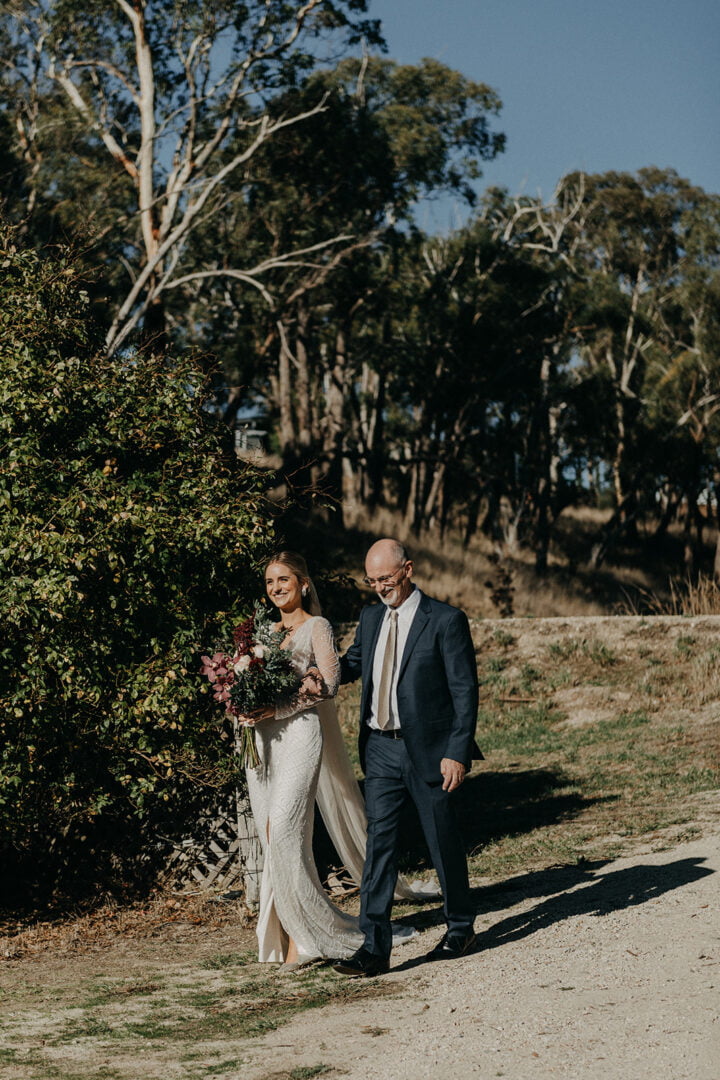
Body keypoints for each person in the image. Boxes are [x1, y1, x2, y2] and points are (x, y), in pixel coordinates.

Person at [239, 551, 427, 971]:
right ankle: (287, 935)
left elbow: (330, 683)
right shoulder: (263, 634)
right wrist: (239, 703)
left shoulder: (317, 627)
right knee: (273, 838)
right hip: (263, 744)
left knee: (285, 829)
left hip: (300, 737)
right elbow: (246, 684)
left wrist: (276, 708)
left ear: (303, 583)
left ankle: (308, 938)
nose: (276, 588)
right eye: (270, 582)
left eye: (284, 579)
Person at [333, 538, 481, 977]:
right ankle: (374, 948)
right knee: (379, 844)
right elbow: (354, 662)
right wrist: (315, 672)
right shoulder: (371, 616)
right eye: (372, 580)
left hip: (430, 750)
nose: (380, 587)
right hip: (379, 748)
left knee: (441, 838)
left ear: (408, 569)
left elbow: (464, 691)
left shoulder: (446, 620)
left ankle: (460, 926)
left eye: (386, 578)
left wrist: (457, 752)